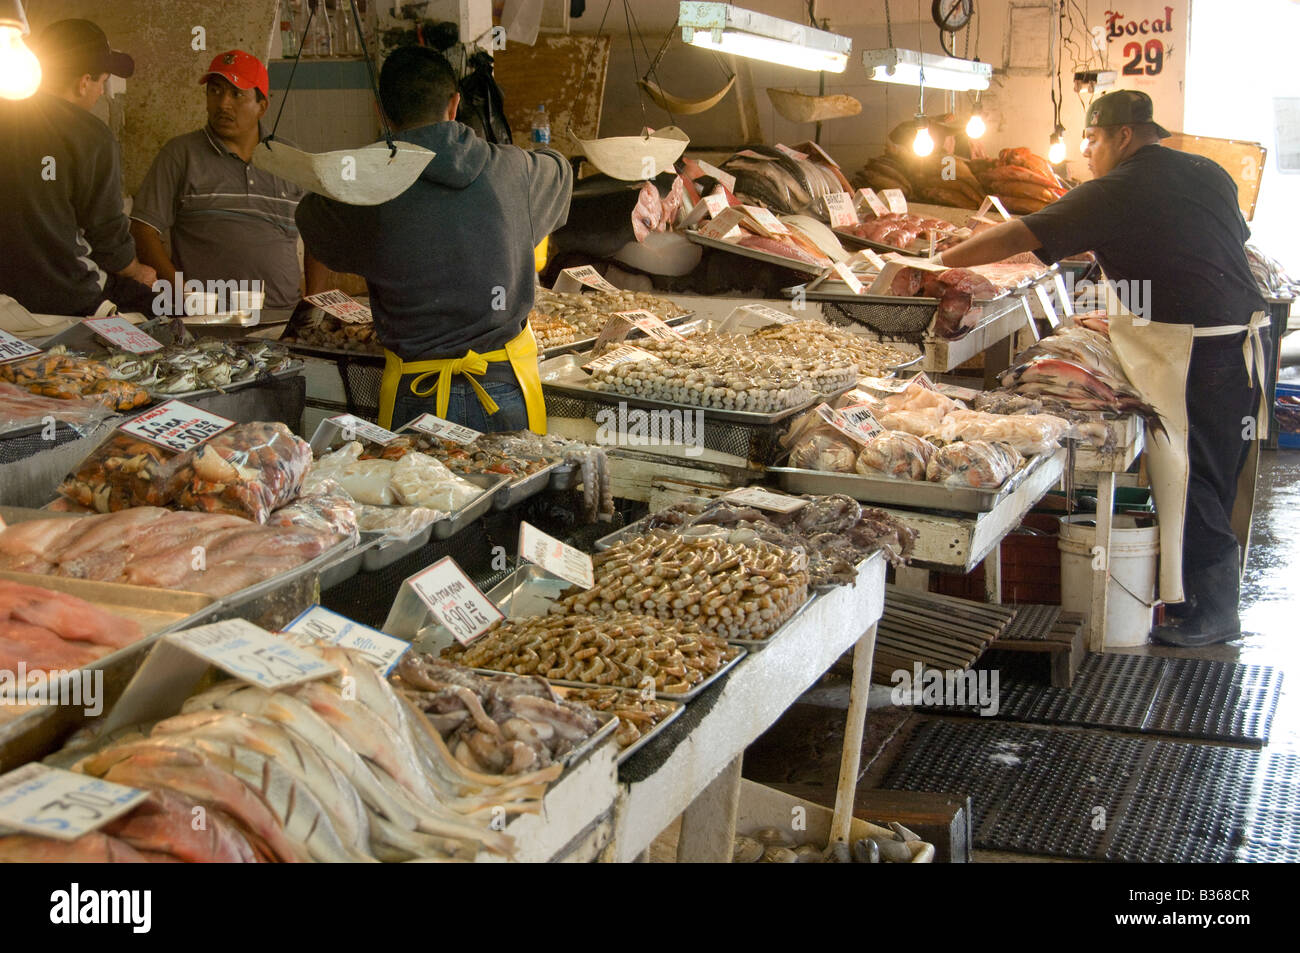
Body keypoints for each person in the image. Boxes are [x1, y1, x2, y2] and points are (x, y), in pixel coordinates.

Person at [938, 90, 1269, 648]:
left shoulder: (1119, 186)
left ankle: (1213, 613)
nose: (1087, 152)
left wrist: (939, 260)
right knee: (1215, 471)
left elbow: (1023, 235)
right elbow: (1220, 236)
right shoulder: (1205, 170)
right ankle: (1203, 600)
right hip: (1241, 341)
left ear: (1122, 136)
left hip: (1200, 352)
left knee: (1195, 478)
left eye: (1091, 139)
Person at [296, 46, 572, 433]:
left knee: (422, 493)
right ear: (455, 104)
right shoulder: (514, 170)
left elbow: (311, 214)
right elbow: (560, 168)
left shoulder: (368, 190)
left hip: (416, 398)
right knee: (514, 488)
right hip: (505, 392)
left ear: (382, 112)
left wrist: (366, 167)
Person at [130, 50, 325, 314]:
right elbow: (143, 228)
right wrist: (180, 290)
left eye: (237, 94)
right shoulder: (180, 154)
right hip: (206, 323)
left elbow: (320, 238)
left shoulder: (289, 159)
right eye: (215, 91)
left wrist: (313, 303)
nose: (223, 104)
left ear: (262, 106)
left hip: (282, 320)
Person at [0, 19, 156, 315]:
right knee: (167, 308)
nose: (100, 92)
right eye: (102, 81)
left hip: (6, 290)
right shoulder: (91, 136)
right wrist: (137, 271)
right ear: (83, 82)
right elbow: (108, 237)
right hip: (66, 293)